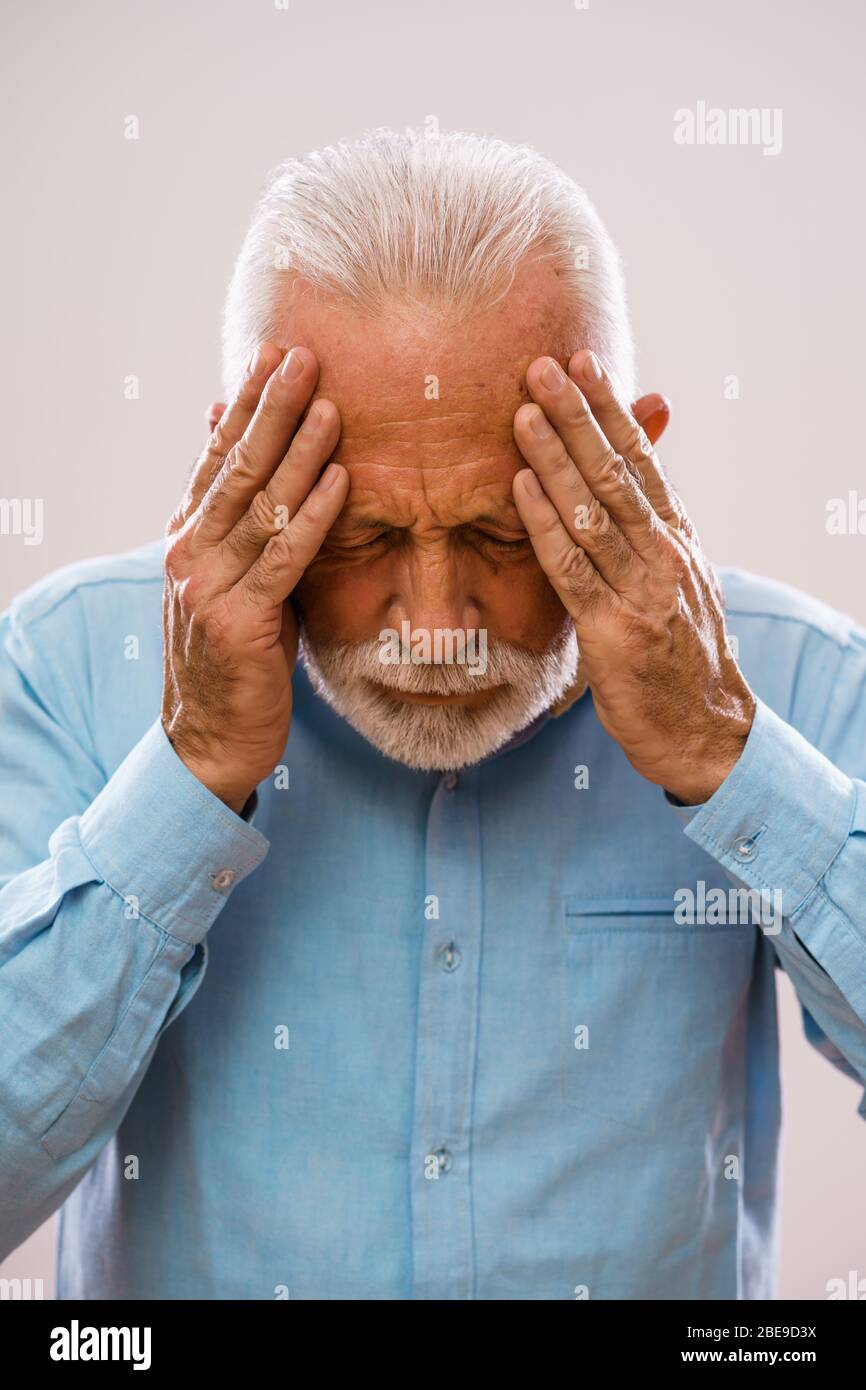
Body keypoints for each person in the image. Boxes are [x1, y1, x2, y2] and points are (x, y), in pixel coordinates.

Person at [1, 128, 864, 1300]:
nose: (434, 621)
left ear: (627, 464)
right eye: (360, 537)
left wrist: (726, 755)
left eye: (501, 537)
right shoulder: (65, 666)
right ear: (239, 474)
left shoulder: (788, 676)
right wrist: (193, 772)